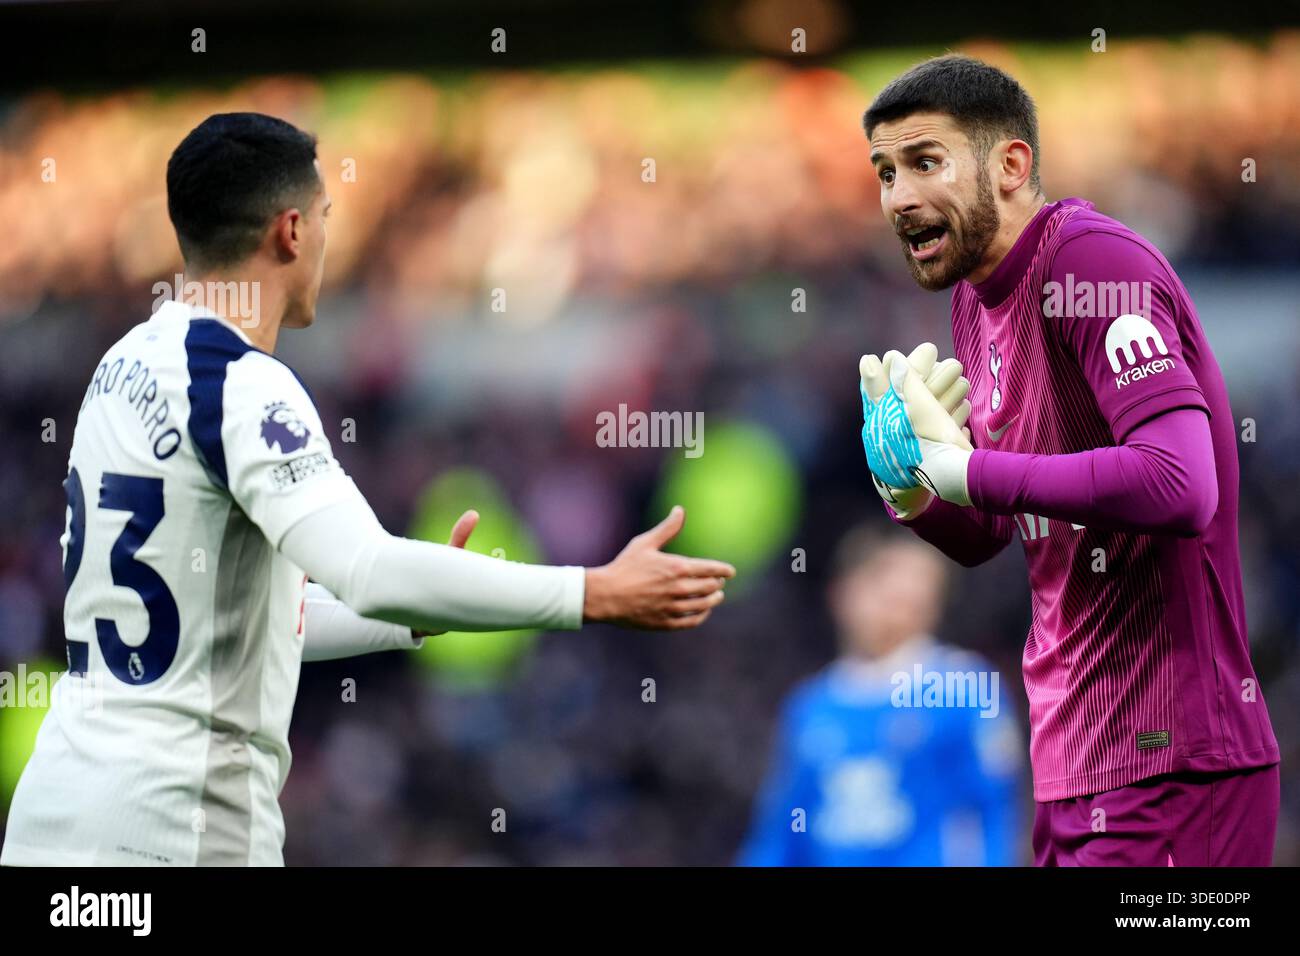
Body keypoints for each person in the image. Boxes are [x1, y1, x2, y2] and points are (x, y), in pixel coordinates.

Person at [1, 112, 734, 866]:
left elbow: (241, 620)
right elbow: (371, 570)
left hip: (54, 817)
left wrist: (421, 612)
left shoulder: (119, 368)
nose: (327, 237)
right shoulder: (238, 385)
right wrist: (594, 591)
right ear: (291, 231)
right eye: (324, 215)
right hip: (171, 829)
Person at [858, 55, 1279, 865]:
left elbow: (1179, 483)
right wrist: (915, 495)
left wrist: (968, 472)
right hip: (1072, 763)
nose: (899, 196)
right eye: (884, 172)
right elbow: (996, 526)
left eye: (924, 161)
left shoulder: (1094, 266)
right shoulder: (976, 304)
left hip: (1173, 761)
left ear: (1011, 165)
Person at [740, 529, 1023, 866]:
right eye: (886, 584)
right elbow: (783, 830)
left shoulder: (963, 687)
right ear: (844, 591)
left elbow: (995, 812)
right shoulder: (811, 705)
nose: (903, 599)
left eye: (918, 589)